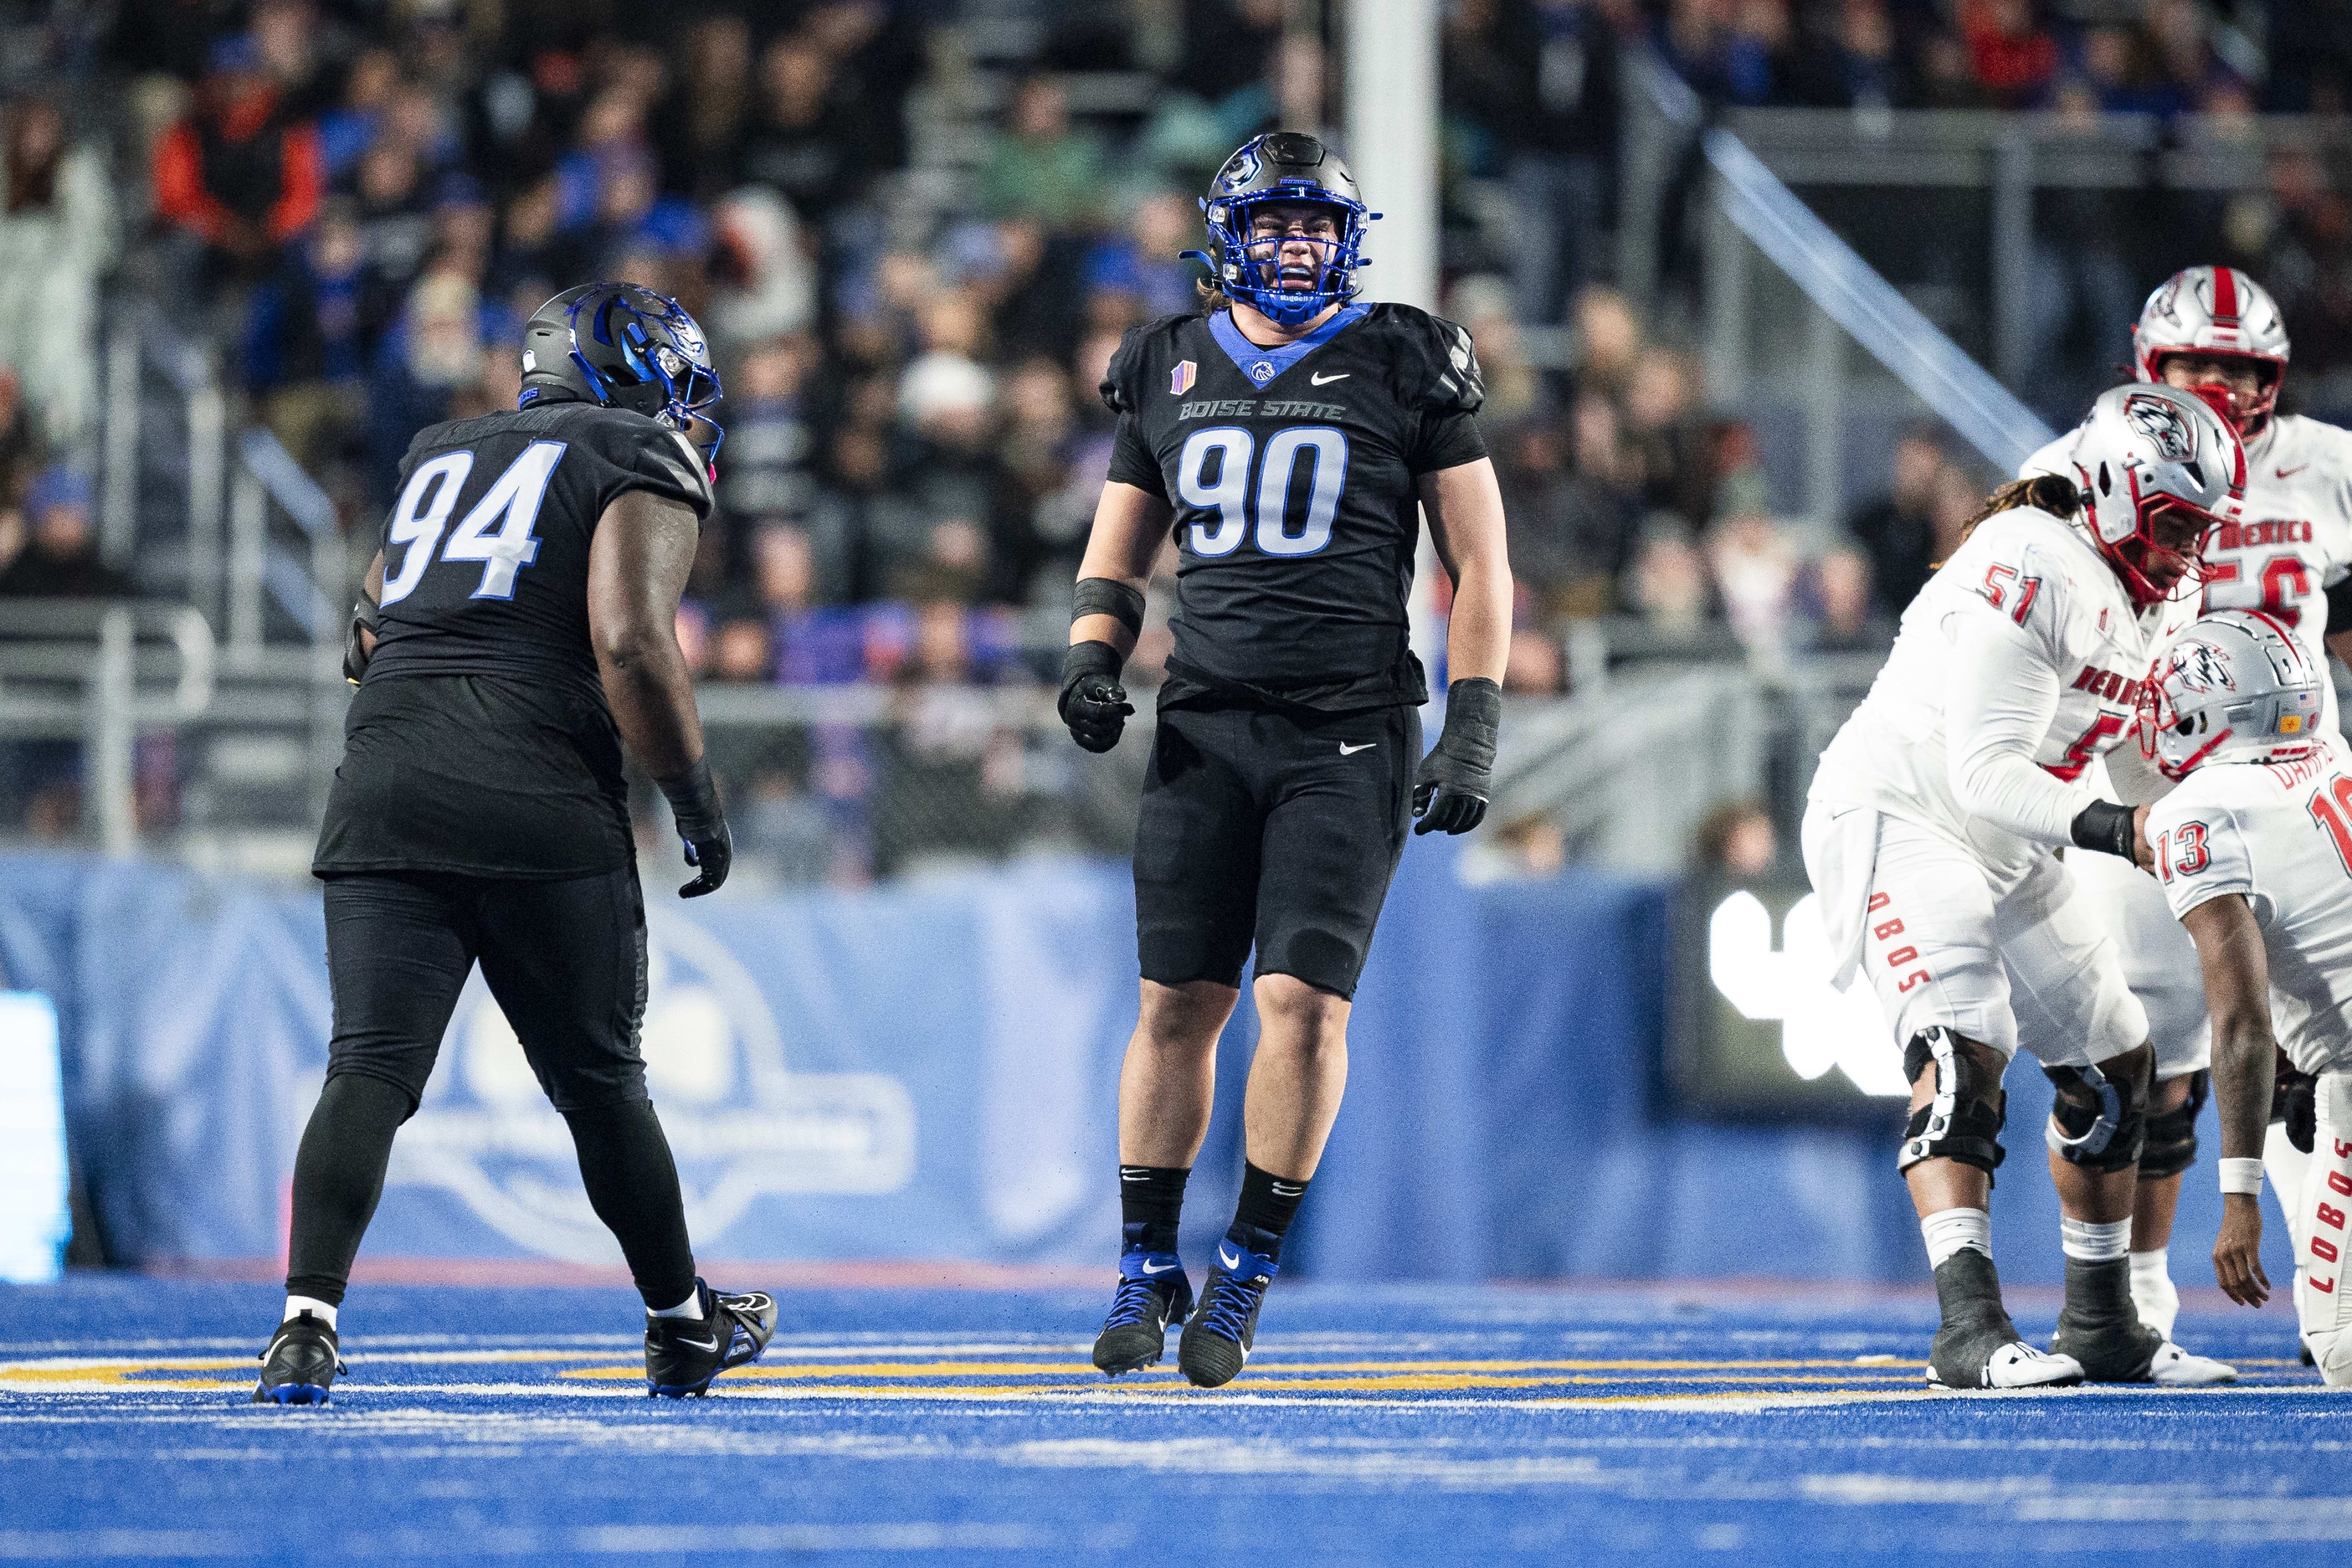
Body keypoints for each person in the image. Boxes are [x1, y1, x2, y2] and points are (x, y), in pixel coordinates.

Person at [254, 282, 774, 1405]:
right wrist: (694, 797)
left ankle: (305, 1324)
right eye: (672, 388)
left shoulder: (442, 449)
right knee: (600, 1084)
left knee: (368, 1070)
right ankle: (681, 1328)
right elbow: (632, 642)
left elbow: (371, 623)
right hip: (535, 789)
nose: (683, 417)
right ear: (621, 372)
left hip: (385, 782)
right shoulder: (635, 454)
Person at [1060, 133, 1511, 1389]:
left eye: (1320, 224)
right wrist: (1095, 656)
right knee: (1176, 1004)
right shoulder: (1164, 361)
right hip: (1206, 719)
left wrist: (1473, 720)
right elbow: (1120, 546)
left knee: (1301, 1004)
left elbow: (1481, 562)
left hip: (1349, 724)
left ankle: (1247, 1267)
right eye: (1278, 223)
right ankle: (1146, 1261)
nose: (1300, 243)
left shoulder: (1405, 352)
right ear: (1228, 237)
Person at [1802, 382, 2243, 1390]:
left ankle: (2102, 1325)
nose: (2193, 550)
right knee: (1967, 1049)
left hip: (2009, 837)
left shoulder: (2152, 589)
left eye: (2203, 528)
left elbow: (2127, 749)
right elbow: (1984, 771)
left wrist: (2202, 819)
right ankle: (1967, 1330)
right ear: (2122, 494)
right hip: (1906, 812)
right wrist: (2122, 831)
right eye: (2178, 522)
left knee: (2117, 1062)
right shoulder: (2035, 562)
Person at [2019, 266, 2352, 1349]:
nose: (2217, 381)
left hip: (2302, 786)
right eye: (2196, 361)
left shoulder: (2326, 468)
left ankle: (2326, 1292)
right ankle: (2140, 1298)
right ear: (2147, 363)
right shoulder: (2076, 465)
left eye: (2238, 365)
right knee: (2149, 1063)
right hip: (2147, 789)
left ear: (2276, 378)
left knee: (2312, 1060)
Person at [2137, 612, 2348, 1379]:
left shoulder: (2199, 813)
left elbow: (2241, 1026)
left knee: (2342, 1347)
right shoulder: (2330, 752)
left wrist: (2239, 1198)